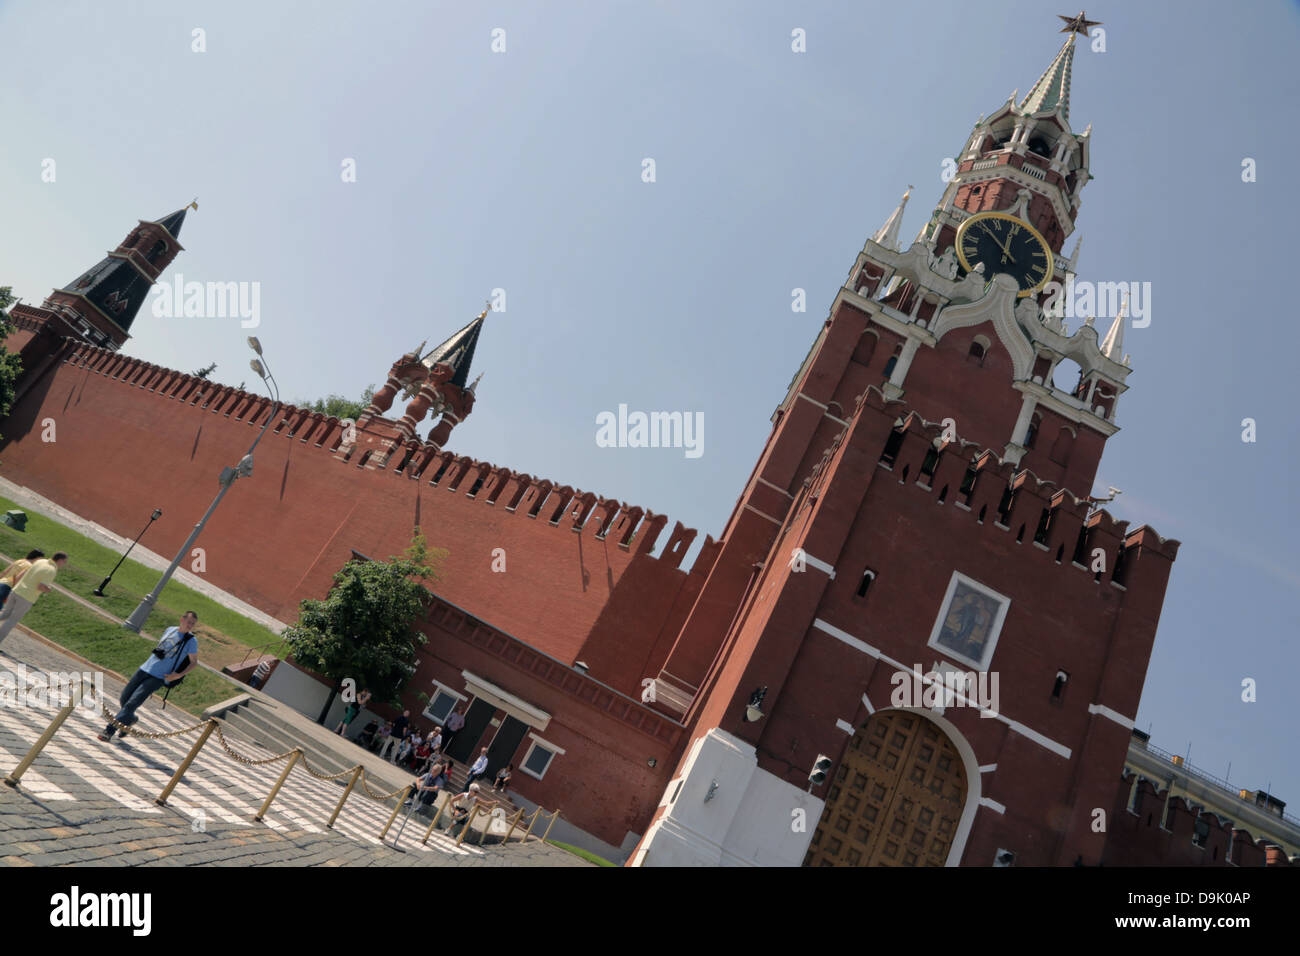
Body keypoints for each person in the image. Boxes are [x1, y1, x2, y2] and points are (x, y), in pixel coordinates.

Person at [98, 611, 199, 741]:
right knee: (124, 698)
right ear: (182, 619)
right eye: (189, 622)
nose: (190, 625)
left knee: (131, 704)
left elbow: (194, 662)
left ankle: (109, 730)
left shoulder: (191, 641)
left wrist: (178, 675)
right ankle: (130, 720)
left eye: (193, 624)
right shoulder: (170, 630)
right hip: (145, 668)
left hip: (159, 677)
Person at [0, 552, 68, 645]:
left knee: (5, 614)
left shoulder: (40, 561)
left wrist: (16, 585)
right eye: (64, 562)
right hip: (26, 597)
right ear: (60, 560)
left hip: (16, 590)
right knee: (12, 620)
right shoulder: (52, 570)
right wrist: (47, 589)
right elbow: (41, 586)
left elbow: (23, 573)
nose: (64, 564)